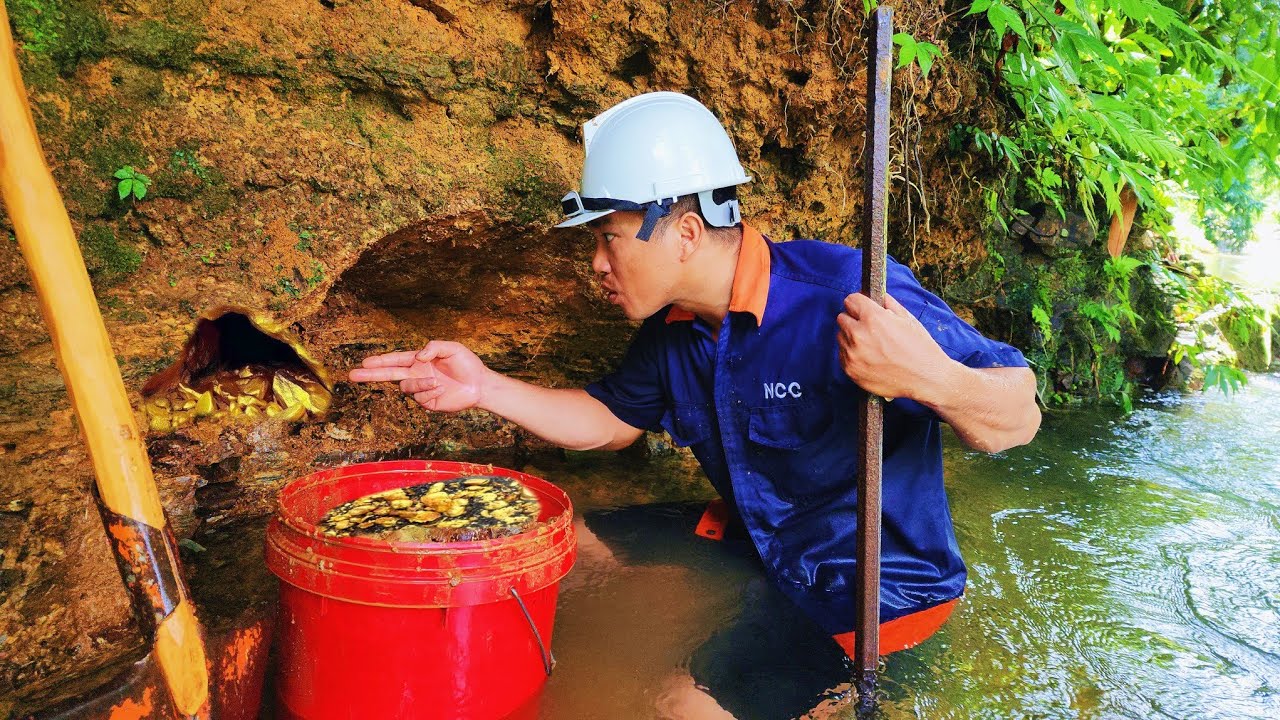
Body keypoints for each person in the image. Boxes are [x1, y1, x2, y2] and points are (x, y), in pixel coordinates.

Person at [350, 91, 1041, 716]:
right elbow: (611, 422)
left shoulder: (846, 294)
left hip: (877, 591)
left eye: (608, 237)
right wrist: (484, 387)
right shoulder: (672, 332)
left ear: (684, 232)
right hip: (762, 542)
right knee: (568, 539)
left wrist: (928, 377)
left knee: (682, 705)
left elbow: (1019, 416)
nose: (596, 263)